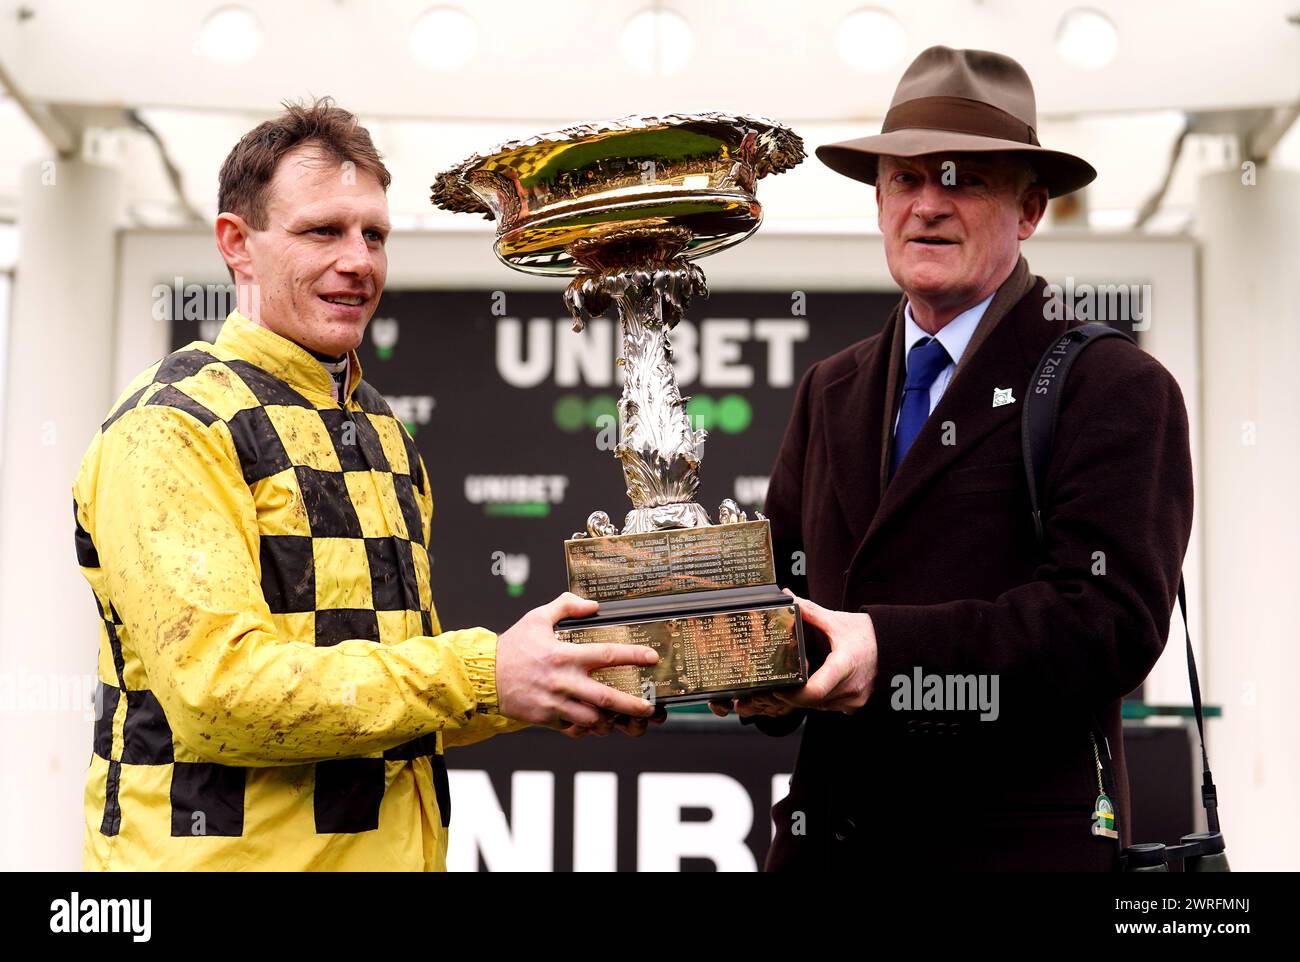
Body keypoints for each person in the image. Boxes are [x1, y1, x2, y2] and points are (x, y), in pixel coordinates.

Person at [73, 98, 661, 871]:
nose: (360, 260)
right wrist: (484, 671)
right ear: (236, 244)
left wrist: (537, 687)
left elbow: (378, 698)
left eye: (374, 234)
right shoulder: (173, 425)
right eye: (323, 230)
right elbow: (219, 695)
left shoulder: (382, 431)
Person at [712, 46, 1193, 871]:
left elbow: (1107, 627)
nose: (928, 205)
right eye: (906, 179)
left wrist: (886, 651)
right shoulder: (833, 386)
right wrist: (734, 658)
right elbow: (787, 593)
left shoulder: (1115, 385)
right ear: (878, 200)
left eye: (962, 177)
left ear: (1030, 208)